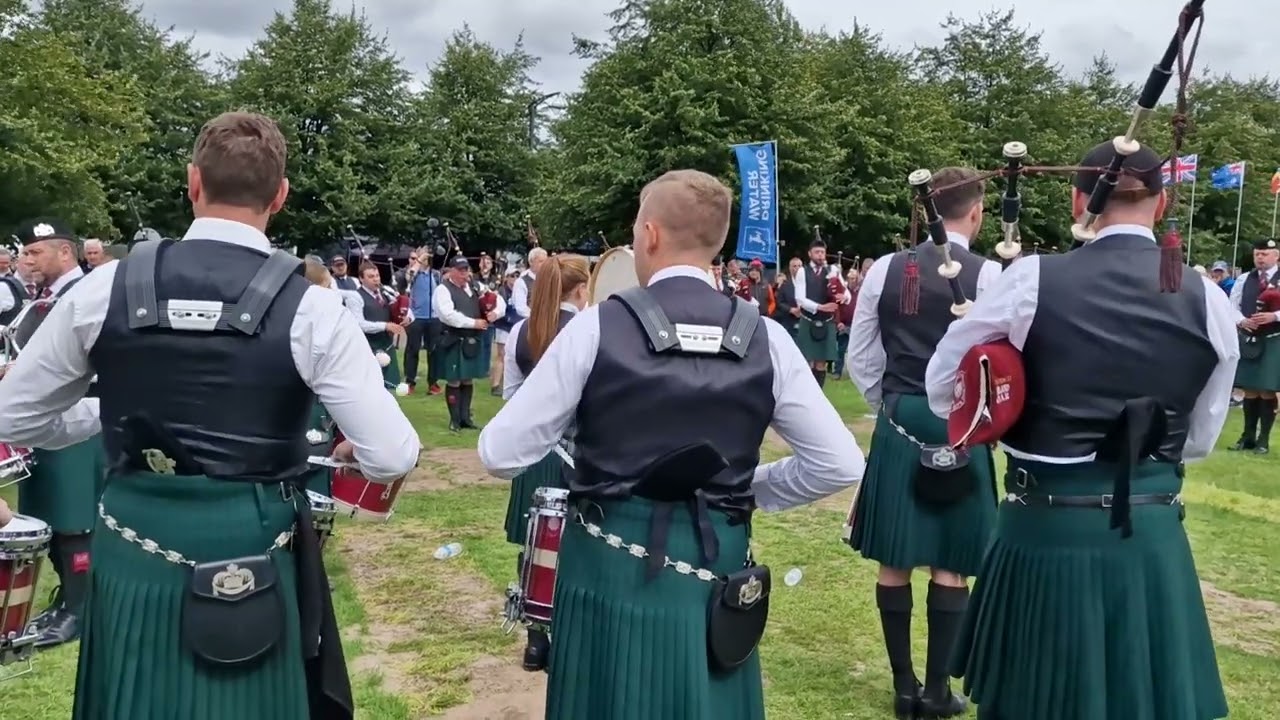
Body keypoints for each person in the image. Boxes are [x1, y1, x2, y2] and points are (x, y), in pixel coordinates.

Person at [0, 111, 421, 719]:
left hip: (131, 536)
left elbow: (14, 416)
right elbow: (393, 455)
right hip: (254, 542)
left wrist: (104, 412)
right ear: (280, 196)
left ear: (193, 182)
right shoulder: (313, 308)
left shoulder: (102, 287)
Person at [477, 169, 865, 720]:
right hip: (718, 564)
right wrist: (747, 491)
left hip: (608, 563)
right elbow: (840, 462)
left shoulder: (594, 328)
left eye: (635, 229)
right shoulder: (767, 336)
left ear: (651, 235)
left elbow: (499, 453)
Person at [924, 141, 1236, 720]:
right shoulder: (1209, 299)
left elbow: (947, 387)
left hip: (1043, 529)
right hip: (1151, 530)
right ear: (1162, 203)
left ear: (1079, 201)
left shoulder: (1031, 280)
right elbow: (1199, 437)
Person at [844, 167, 1002, 719]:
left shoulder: (887, 268)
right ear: (976, 211)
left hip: (901, 415)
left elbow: (861, 356)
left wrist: (889, 405)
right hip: (963, 421)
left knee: (895, 558)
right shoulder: (992, 275)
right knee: (948, 563)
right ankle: (938, 692)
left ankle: (903, 685)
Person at [8, 218, 109, 649]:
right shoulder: (40, 301)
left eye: (35, 252)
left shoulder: (88, 294)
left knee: (74, 520)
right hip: (44, 419)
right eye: (24, 252)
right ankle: (67, 598)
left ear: (64, 252)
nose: (25, 260)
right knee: (50, 514)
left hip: (78, 417)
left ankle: (80, 610)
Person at [500, 253, 590, 671]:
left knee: (535, 546)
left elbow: (511, 400)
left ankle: (535, 642)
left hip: (534, 456)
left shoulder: (522, 329)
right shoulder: (591, 331)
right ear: (581, 290)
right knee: (577, 551)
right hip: (578, 456)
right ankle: (571, 638)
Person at [434, 256, 505, 431]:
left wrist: (495, 313)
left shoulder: (476, 286)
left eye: (466, 269)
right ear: (451, 271)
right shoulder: (443, 290)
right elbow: (447, 315)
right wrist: (473, 323)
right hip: (454, 338)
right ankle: (454, 420)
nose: (464, 273)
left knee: (467, 379)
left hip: (472, 340)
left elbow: (498, 300)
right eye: (460, 270)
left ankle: (466, 418)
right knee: (454, 380)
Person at [1228, 237, 1280, 453]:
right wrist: (1241, 320)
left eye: (1265, 254)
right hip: (1249, 338)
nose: (1260, 257)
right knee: (1249, 389)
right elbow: (1231, 305)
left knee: (1267, 389)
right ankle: (1247, 437)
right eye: (1257, 254)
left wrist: (1275, 316)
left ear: (1277, 255)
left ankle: (1263, 440)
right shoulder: (1244, 279)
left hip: (1274, 338)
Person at [794, 236, 851, 386]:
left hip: (827, 322)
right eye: (817, 252)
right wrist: (820, 307)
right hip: (808, 320)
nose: (820, 255)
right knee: (806, 360)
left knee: (821, 362)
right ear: (810, 254)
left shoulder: (833, 271)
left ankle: (819, 394)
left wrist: (843, 297)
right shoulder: (802, 271)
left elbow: (847, 293)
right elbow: (800, 299)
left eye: (822, 252)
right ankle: (805, 392)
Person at [353, 260, 405, 389]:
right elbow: (359, 324)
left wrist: (407, 317)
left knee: (390, 387)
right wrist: (385, 326)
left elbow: (402, 306)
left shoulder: (386, 291)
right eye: (371, 277)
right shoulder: (355, 297)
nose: (376, 280)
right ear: (361, 278)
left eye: (377, 276)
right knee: (370, 388)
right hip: (367, 346)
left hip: (386, 344)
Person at [405, 248, 443, 395]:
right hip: (415, 317)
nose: (414, 261)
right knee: (412, 350)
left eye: (418, 258)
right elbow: (409, 276)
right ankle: (410, 382)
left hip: (433, 317)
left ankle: (433, 383)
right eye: (412, 258)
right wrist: (420, 260)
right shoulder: (411, 273)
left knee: (433, 351)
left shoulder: (435, 274)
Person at [490, 266, 522, 395]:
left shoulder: (520, 291)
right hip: (504, 326)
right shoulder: (502, 291)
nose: (514, 279)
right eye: (512, 276)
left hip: (517, 325)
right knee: (501, 355)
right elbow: (500, 309)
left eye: (516, 276)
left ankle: (510, 383)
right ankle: (496, 384)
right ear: (507, 278)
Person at [511, 247, 547, 319]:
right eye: (541, 261)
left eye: (546, 262)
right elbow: (520, 307)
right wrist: (538, 318)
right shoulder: (521, 282)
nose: (544, 264)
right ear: (531, 262)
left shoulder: (549, 280)